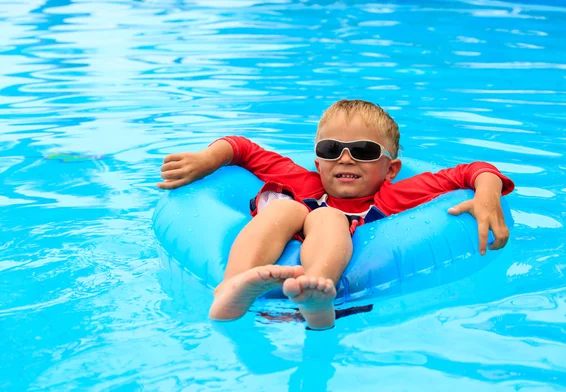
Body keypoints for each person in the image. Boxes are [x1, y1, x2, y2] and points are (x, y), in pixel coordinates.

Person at [157, 100, 514, 330]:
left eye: (363, 150)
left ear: (391, 169)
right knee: (284, 207)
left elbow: (472, 170)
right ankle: (234, 287)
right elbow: (244, 149)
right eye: (332, 149)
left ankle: (316, 293)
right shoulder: (302, 181)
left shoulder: (393, 195)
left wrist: (486, 193)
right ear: (317, 161)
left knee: (328, 218)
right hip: (274, 252)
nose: (345, 158)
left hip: (330, 280)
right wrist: (207, 159)